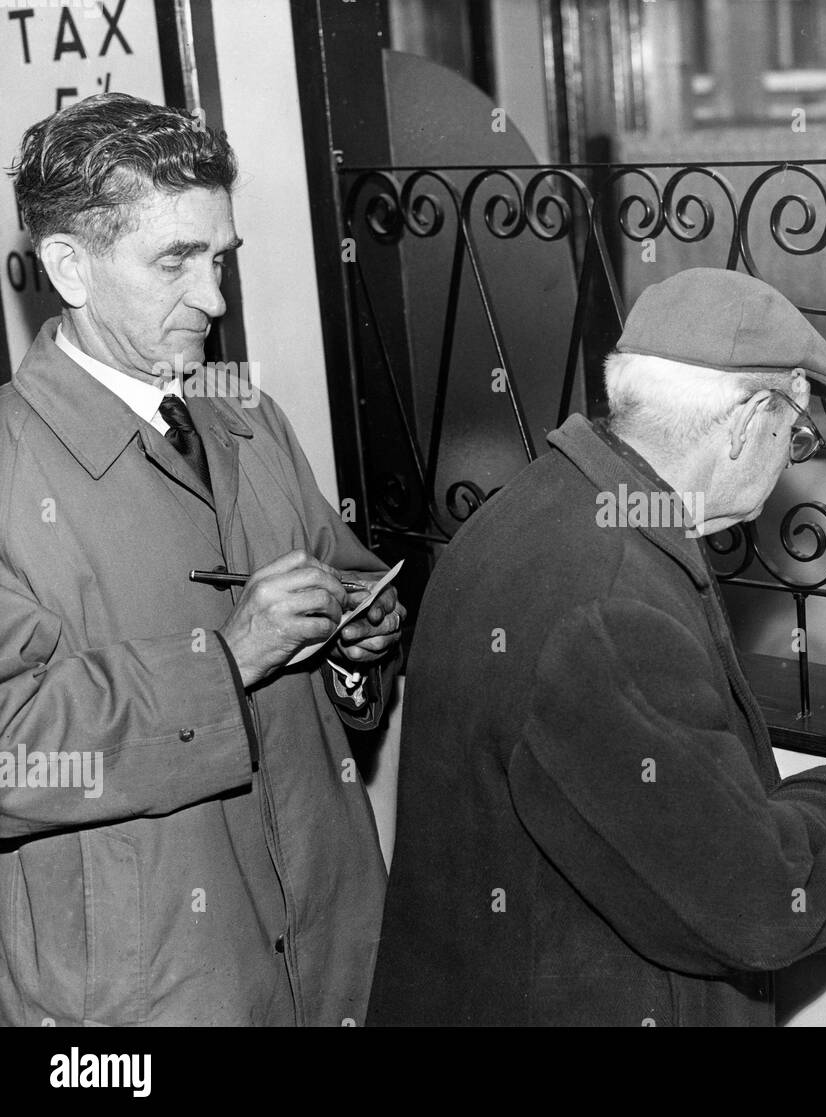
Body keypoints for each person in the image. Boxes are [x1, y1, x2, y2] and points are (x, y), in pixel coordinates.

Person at [368, 267, 826, 1027]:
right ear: (745, 422)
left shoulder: (532, 509)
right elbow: (756, 901)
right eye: (794, 435)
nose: (788, 459)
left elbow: (656, 823)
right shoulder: (611, 605)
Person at [0, 93, 403, 1025]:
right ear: (69, 267)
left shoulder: (248, 416)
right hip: (150, 1007)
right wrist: (227, 660)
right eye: (175, 260)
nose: (216, 299)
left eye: (218, 258)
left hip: (331, 961)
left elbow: (337, 583)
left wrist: (358, 641)